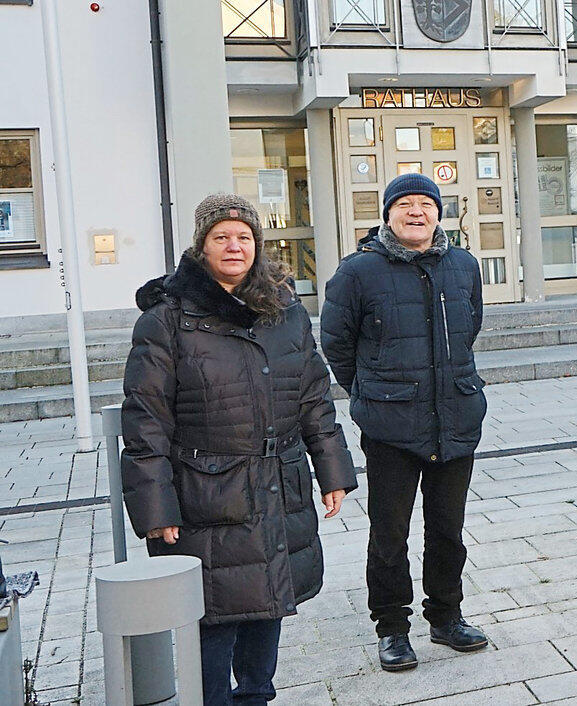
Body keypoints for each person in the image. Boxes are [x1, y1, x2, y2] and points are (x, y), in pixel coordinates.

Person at [121, 194, 357, 705]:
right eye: (221, 236)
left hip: (276, 483)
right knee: (214, 617)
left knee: (268, 604)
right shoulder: (166, 319)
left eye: (244, 236)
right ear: (201, 246)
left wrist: (332, 471)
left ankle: (256, 697)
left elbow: (313, 397)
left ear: (258, 244)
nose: (234, 246)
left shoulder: (285, 310)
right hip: (206, 495)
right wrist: (155, 507)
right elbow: (145, 422)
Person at [321, 173, 489, 672]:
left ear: (439, 213)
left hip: (455, 417)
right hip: (391, 427)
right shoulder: (358, 271)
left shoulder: (463, 265)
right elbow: (337, 344)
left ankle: (447, 615)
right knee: (389, 534)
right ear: (388, 214)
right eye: (405, 204)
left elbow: (470, 328)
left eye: (426, 204)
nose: (416, 212)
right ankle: (392, 627)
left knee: (448, 529)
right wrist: (372, 393)